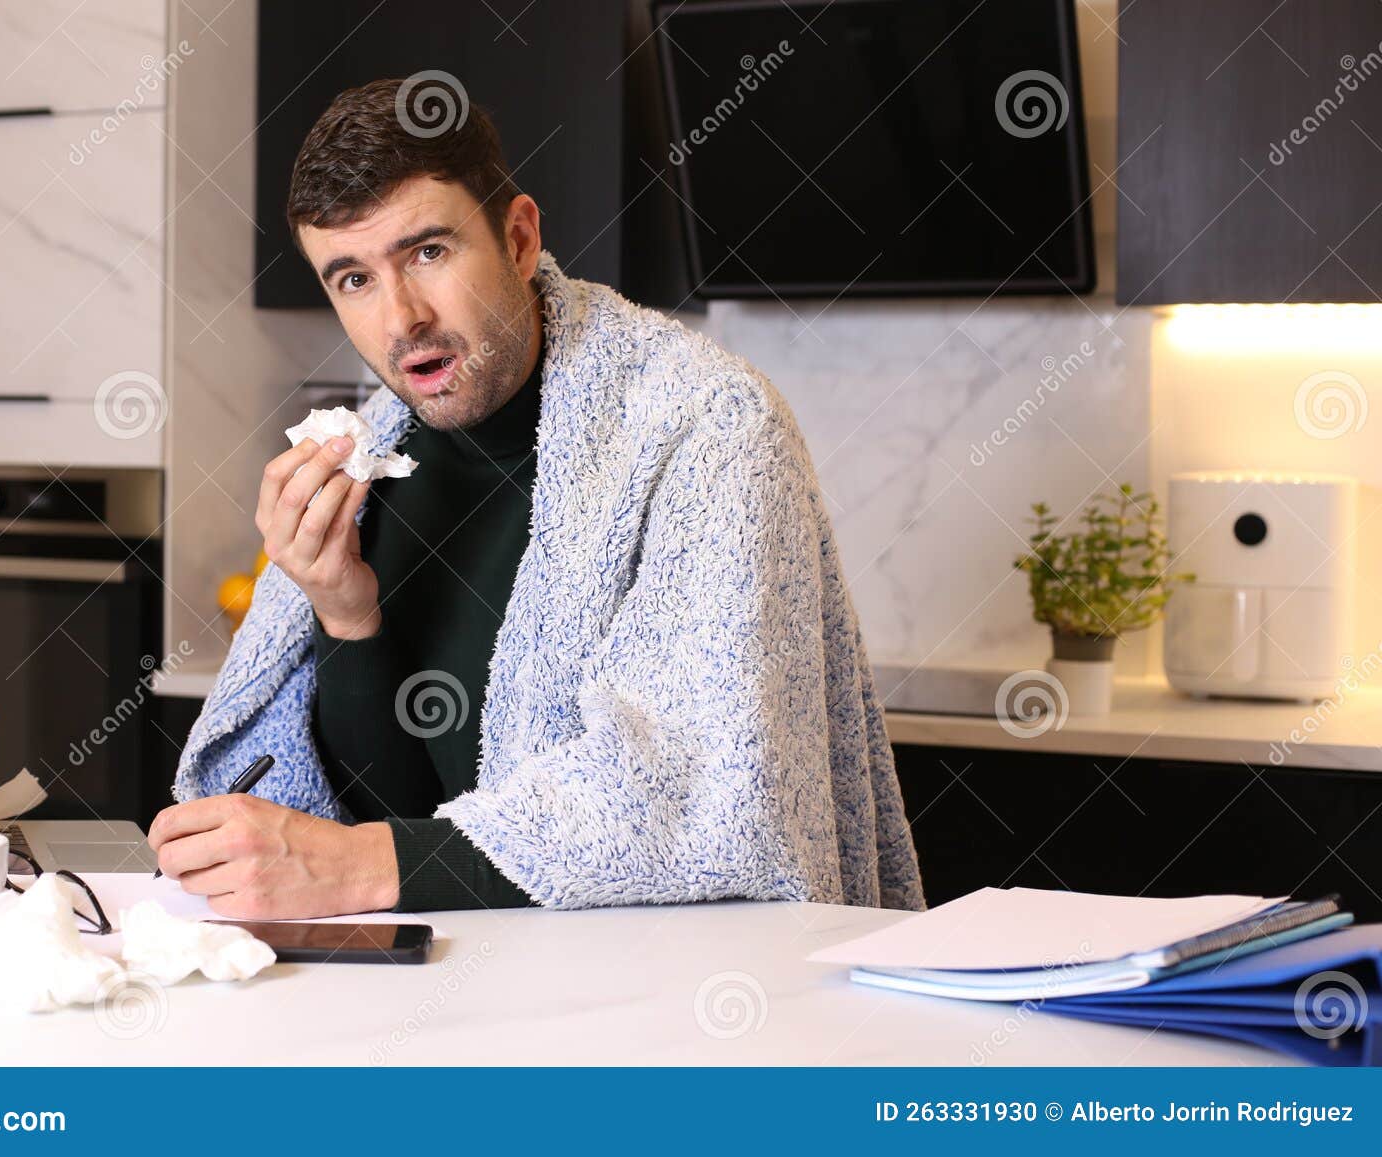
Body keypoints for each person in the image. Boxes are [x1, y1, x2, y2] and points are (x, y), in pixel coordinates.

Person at [151, 78, 924, 918]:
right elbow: (393, 815)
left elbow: (698, 794)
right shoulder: (374, 465)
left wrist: (353, 863)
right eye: (353, 279)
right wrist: (342, 610)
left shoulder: (706, 427)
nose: (401, 318)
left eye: (428, 253)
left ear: (518, 238)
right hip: (444, 998)